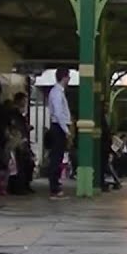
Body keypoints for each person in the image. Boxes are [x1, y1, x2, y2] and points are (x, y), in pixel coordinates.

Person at [45, 67, 72, 199]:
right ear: (64, 77)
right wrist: (66, 130)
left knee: (58, 157)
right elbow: (58, 113)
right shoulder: (56, 93)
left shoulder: (58, 92)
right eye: (69, 76)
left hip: (58, 126)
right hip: (58, 127)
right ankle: (54, 188)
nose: (70, 79)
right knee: (56, 158)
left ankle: (55, 186)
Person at [8, 92, 35, 195]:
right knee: (20, 165)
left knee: (26, 163)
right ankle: (19, 187)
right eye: (24, 100)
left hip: (22, 141)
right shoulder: (14, 113)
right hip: (18, 142)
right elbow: (16, 127)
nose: (25, 103)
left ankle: (24, 185)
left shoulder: (19, 114)